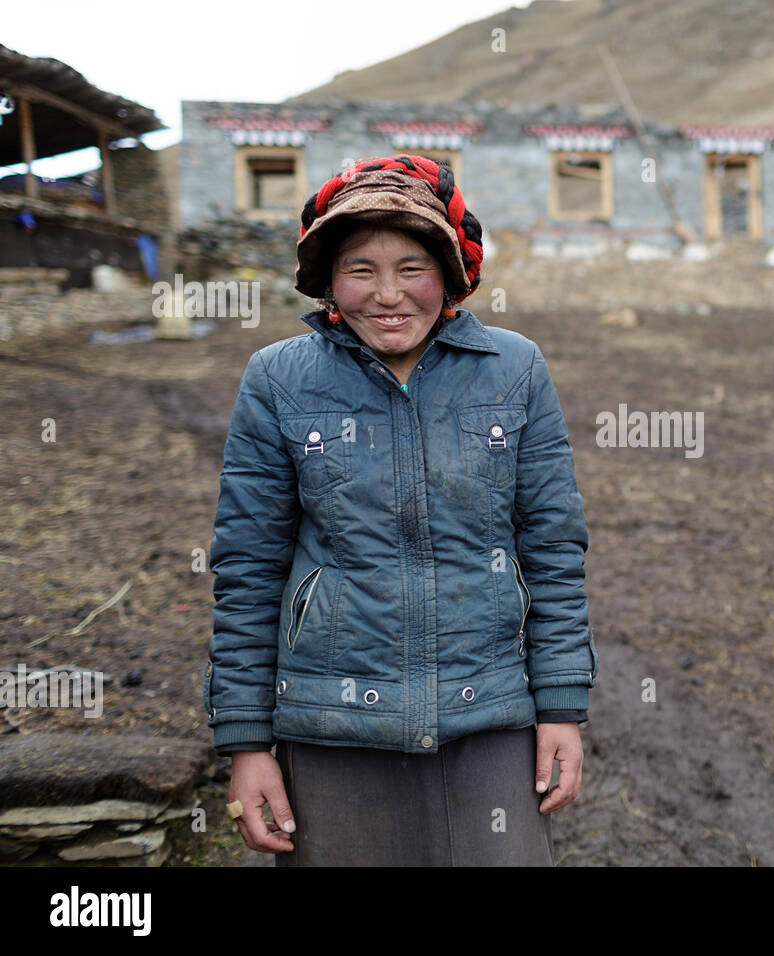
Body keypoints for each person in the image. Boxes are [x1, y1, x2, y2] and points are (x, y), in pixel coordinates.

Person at [202, 154, 598, 865]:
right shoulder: (278, 380)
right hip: (332, 718)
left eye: (412, 267)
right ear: (327, 280)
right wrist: (245, 742)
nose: (388, 295)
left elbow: (553, 549)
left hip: (493, 712)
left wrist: (563, 708)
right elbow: (248, 569)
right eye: (360, 269)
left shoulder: (515, 370)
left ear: (448, 274)